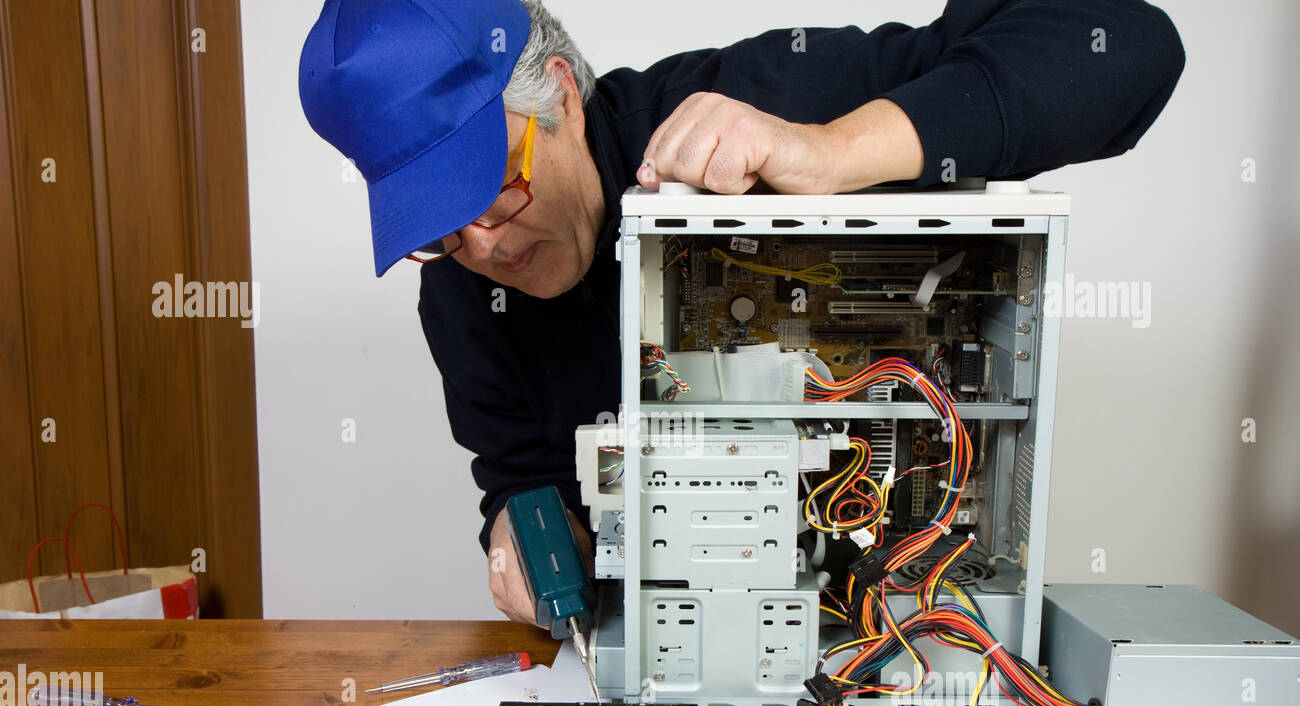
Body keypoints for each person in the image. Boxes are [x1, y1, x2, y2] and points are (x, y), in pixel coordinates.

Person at [299, 0, 1184, 627]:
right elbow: (517, 471)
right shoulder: (460, 294)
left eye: (492, 193)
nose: (483, 248)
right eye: (437, 231)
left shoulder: (745, 112)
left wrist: (832, 152)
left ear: (560, 95)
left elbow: (1126, 43)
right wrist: (518, 532)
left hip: (893, 644)